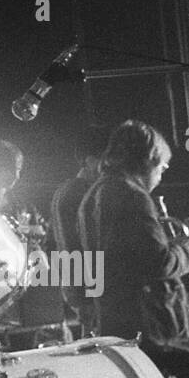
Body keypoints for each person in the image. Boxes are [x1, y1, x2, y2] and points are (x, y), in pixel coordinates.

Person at [77, 120, 189, 378]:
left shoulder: (93, 194)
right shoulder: (133, 196)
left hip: (115, 319)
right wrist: (187, 249)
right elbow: (158, 263)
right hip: (152, 329)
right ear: (147, 161)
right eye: (161, 168)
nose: (160, 178)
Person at [48, 124, 112, 337]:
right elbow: (75, 247)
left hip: (84, 292)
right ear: (89, 160)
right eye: (106, 159)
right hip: (89, 293)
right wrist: (87, 299)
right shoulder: (79, 192)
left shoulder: (68, 190)